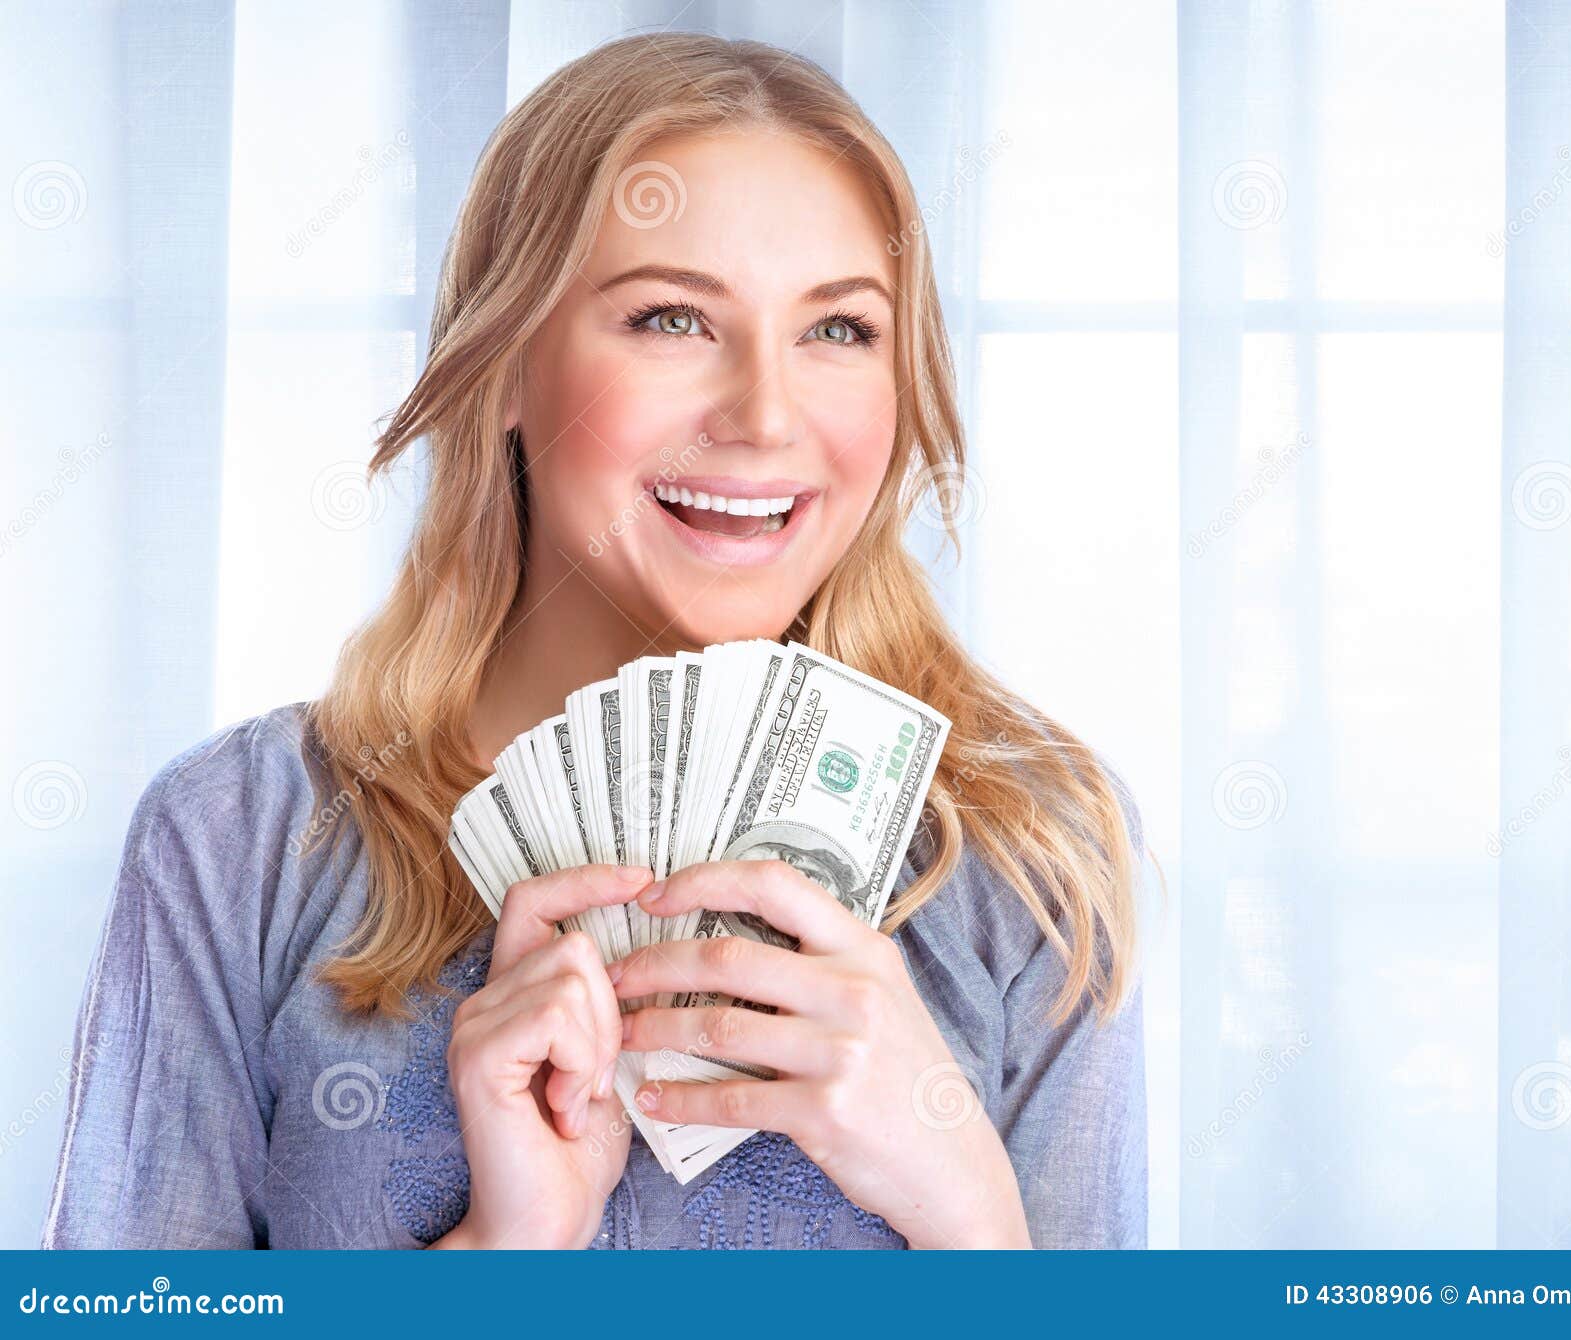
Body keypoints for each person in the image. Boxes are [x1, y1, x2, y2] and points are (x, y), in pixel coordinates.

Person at [44, 31, 1148, 1251]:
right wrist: (498, 1261)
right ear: (504, 365)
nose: (766, 415)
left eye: (837, 330)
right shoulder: (241, 838)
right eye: (671, 317)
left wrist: (966, 1211)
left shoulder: (1028, 852)